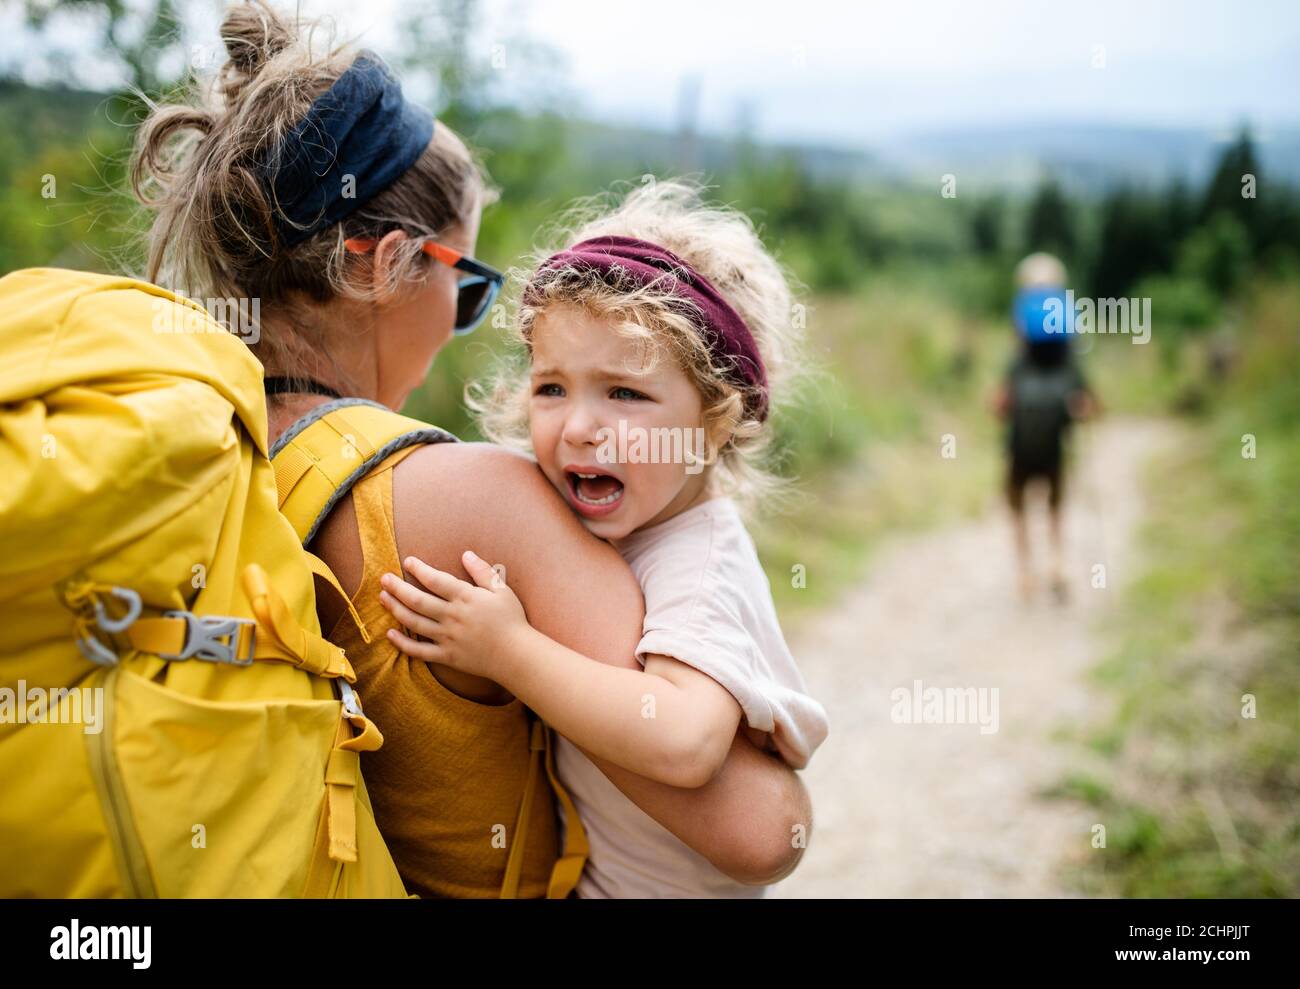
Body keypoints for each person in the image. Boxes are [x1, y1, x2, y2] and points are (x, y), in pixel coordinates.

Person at [128, 0, 812, 896]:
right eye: (470, 282)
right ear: (386, 264)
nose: (464, 325)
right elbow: (764, 832)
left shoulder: (188, 438)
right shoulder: (482, 504)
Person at [379, 181, 830, 897]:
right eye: (552, 388)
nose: (580, 425)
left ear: (713, 422)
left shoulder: (699, 561)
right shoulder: (613, 524)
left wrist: (508, 651)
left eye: (625, 393)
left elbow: (686, 739)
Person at [993, 252, 1098, 603]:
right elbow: (1084, 396)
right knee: (1055, 504)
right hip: (1054, 439)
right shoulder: (1066, 335)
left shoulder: (1021, 327)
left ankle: (1026, 572)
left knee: (1018, 505)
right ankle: (1057, 563)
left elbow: (1002, 399)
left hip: (1020, 439)